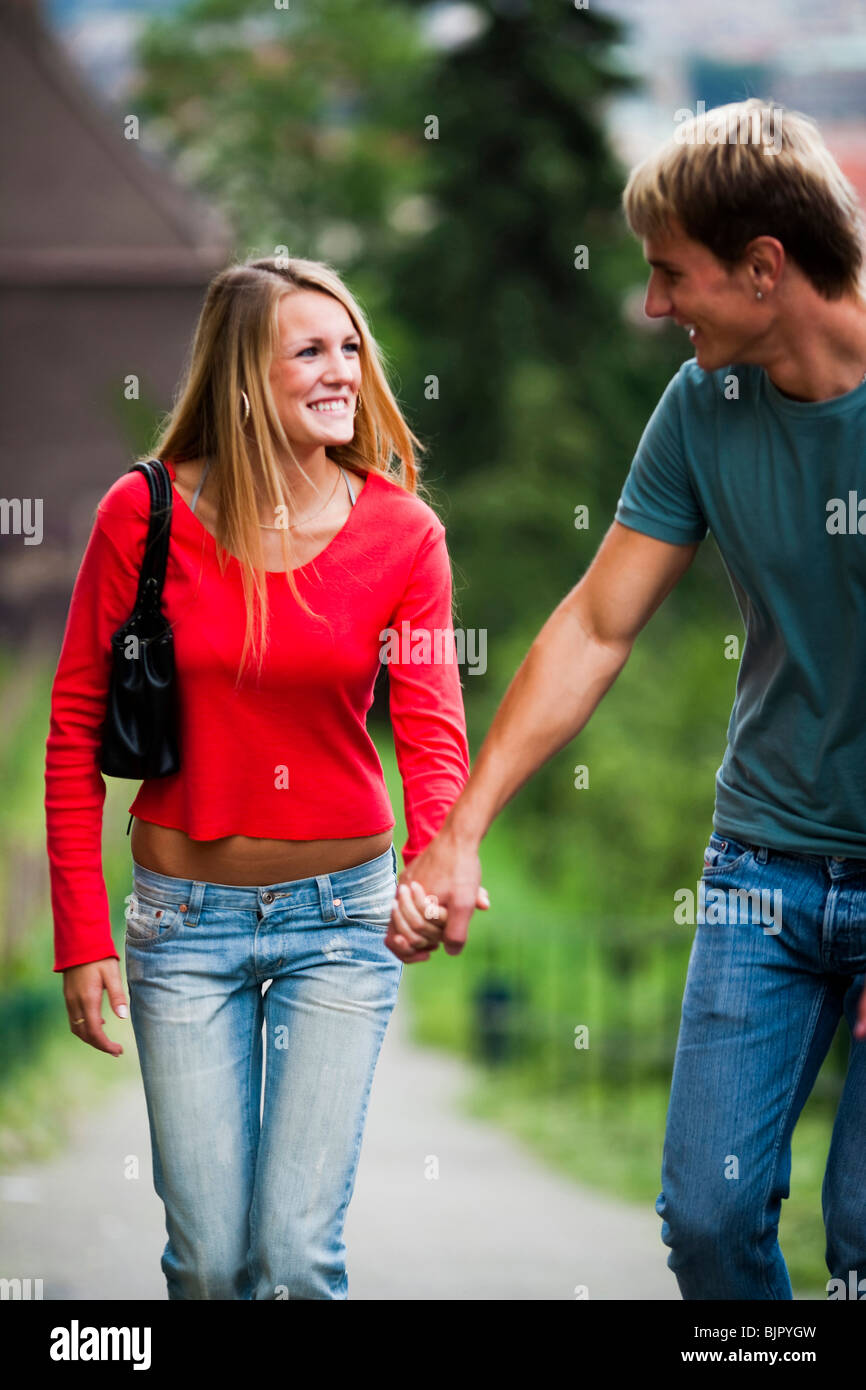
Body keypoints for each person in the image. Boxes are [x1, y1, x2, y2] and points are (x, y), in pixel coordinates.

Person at [388, 99, 866, 1300]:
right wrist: (461, 828)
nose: (653, 306)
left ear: (764, 269)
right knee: (706, 1220)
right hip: (764, 862)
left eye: (670, 275)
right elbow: (596, 626)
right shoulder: (701, 411)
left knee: (860, 1229)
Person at [44, 253, 483, 1300]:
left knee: (294, 1259)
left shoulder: (403, 534)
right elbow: (70, 733)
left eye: (350, 348)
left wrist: (435, 868)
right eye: (309, 350)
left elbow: (429, 733)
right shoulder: (139, 515)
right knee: (206, 1262)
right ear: (244, 378)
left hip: (343, 921)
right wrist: (80, 933)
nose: (341, 371)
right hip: (180, 923)